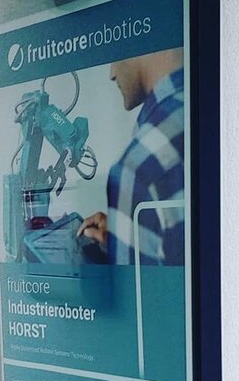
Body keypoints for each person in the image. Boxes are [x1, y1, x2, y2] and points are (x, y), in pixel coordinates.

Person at [76, 47, 185, 266]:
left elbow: (136, 289)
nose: (112, 74)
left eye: (114, 57)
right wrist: (127, 240)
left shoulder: (137, 169)